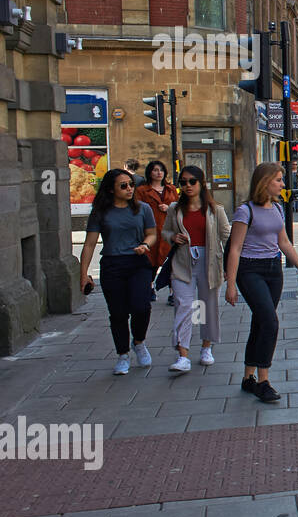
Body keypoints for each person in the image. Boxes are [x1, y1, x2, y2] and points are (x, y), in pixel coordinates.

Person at [224, 163, 298, 403]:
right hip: (249, 271)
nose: (283, 184)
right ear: (265, 182)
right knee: (270, 323)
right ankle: (263, 381)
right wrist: (231, 284)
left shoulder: (277, 209)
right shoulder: (245, 211)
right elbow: (235, 249)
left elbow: (283, 241)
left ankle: (247, 378)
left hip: (274, 269)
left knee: (261, 322)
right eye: (279, 180)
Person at [80, 168, 157, 375]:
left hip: (138, 262)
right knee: (118, 313)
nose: (130, 189)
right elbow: (89, 244)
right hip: (112, 265)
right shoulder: (101, 212)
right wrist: (84, 273)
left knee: (142, 307)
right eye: (124, 186)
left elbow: (152, 234)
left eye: (132, 184)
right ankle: (122, 355)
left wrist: (146, 246)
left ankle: (139, 342)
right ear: (112, 189)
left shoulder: (143, 209)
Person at [162, 165, 230, 372]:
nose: (187, 186)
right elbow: (165, 232)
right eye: (183, 182)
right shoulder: (175, 209)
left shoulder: (215, 210)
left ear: (202, 184)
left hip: (209, 262)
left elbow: (227, 236)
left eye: (192, 181)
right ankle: (182, 354)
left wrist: (230, 266)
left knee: (206, 307)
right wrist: (173, 237)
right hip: (182, 263)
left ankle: (206, 347)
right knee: (184, 306)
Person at [135, 160, 179, 302]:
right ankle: (150, 287)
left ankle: (173, 292)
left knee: (172, 262)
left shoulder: (171, 189)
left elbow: (179, 206)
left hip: (169, 229)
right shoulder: (142, 190)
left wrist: (169, 208)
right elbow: (137, 209)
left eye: (161, 170)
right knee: (151, 262)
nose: (159, 172)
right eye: (155, 170)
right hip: (151, 230)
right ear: (150, 172)